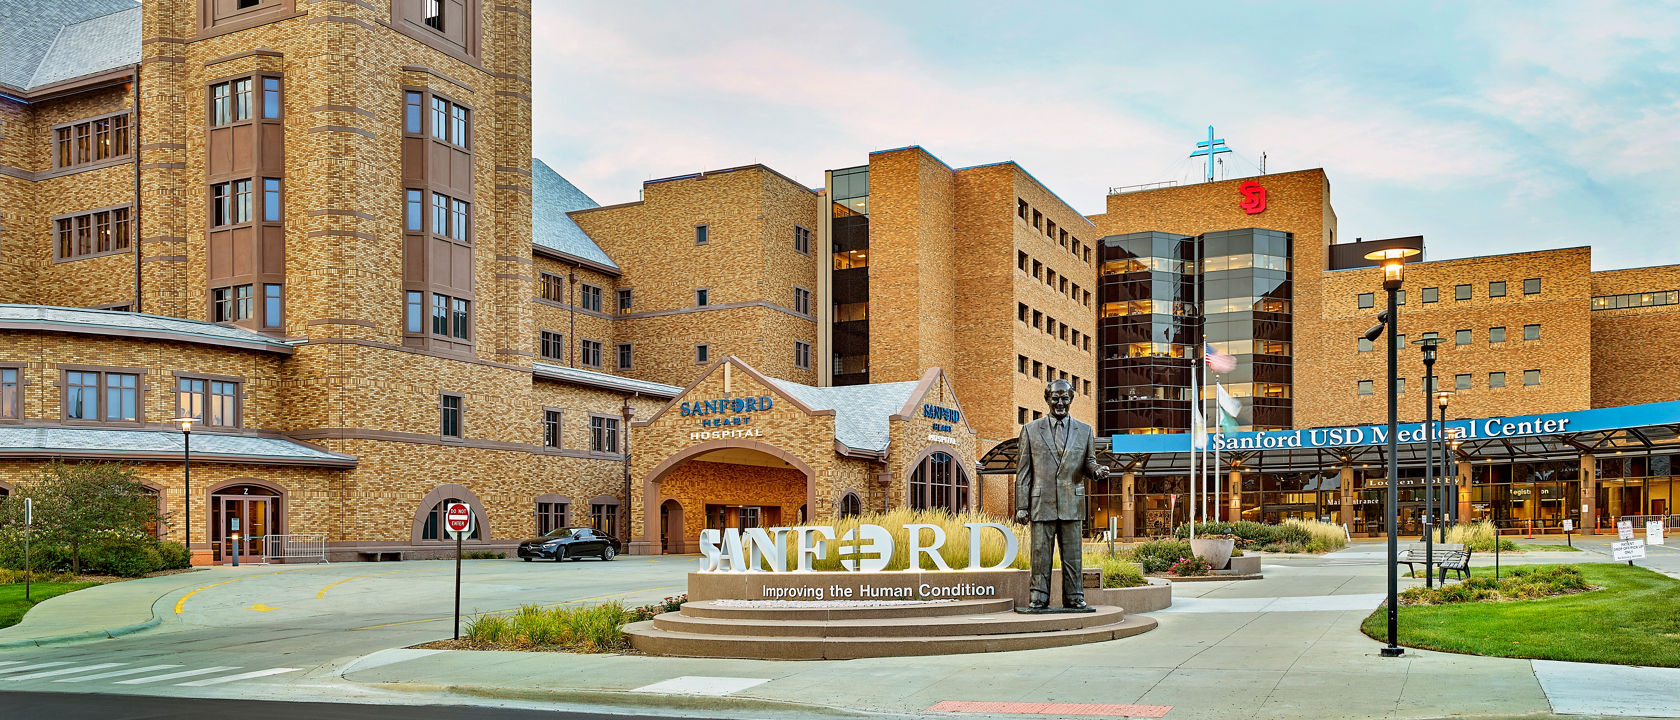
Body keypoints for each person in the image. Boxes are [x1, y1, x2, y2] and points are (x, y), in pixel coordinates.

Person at [1015, 379, 1109, 610]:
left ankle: (1075, 595)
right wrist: (1022, 506)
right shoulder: (1030, 430)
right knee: (1040, 555)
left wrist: (1096, 471)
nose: (1060, 402)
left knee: (1073, 555)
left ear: (1071, 399)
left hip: (1071, 502)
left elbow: (1089, 462)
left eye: (1064, 398)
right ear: (1047, 400)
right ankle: (1038, 596)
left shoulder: (1085, 430)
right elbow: (1024, 472)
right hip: (1041, 503)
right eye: (1055, 398)